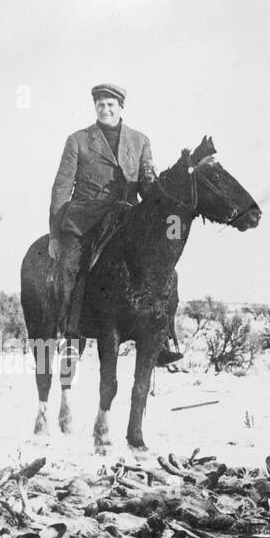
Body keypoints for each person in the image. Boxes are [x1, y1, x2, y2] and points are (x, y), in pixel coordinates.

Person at [48, 83, 182, 365]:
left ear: (121, 108)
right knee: (67, 266)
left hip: (126, 220)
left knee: (165, 272)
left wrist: (168, 203)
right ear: (94, 107)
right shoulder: (78, 140)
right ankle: (65, 328)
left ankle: (162, 340)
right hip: (84, 220)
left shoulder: (140, 141)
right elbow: (61, 188)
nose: (105, 109)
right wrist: (55, 235)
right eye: (100, 104)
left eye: (111, 105)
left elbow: (148, 185)